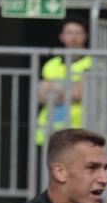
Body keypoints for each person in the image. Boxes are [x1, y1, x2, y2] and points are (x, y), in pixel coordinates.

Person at [37, 18, 93, 149]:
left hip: (80, 132)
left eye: (78, 33)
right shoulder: (51, 64)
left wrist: (54, 89)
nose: (73, 37)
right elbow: (41, 95)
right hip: (49, 131)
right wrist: (70, 88)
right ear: (61, 36)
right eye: (69, 33)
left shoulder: (92, 63)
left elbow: (80, 93)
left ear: (86, 36)